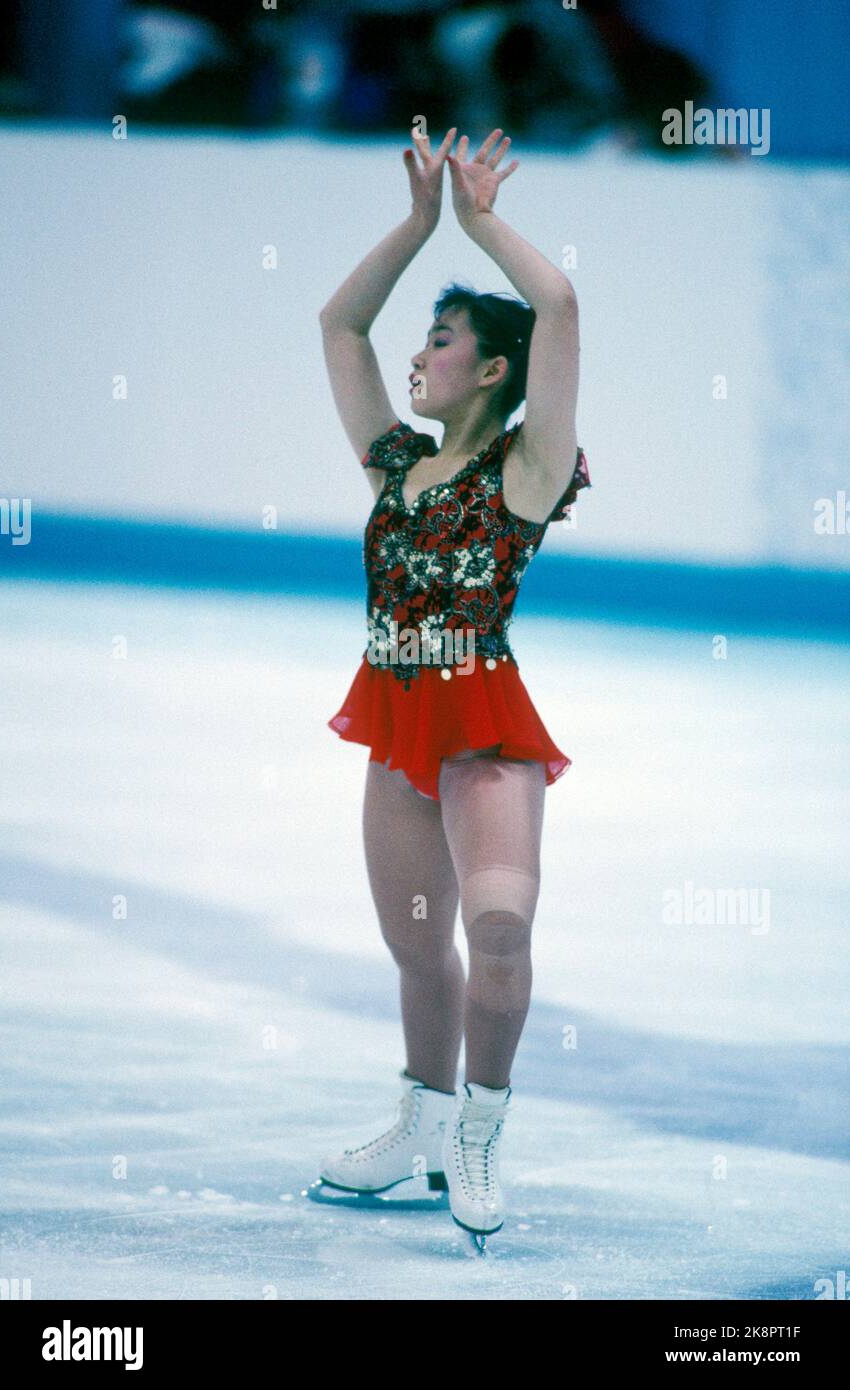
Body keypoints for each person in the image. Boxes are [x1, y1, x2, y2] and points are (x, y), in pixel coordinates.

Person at [316, 127, 591, 1247]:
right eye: (422, 340)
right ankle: (422, 1124)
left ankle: (480, 1126)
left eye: (440, 342)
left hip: (482, 728)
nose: (417, 356)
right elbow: (339, 324)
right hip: (395, 718)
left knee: (502, 928)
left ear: (489, 371)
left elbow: (560, 309)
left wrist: (480, 225)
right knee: (420, 943)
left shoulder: (525, 471)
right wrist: (419, 225)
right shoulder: (393, 459)